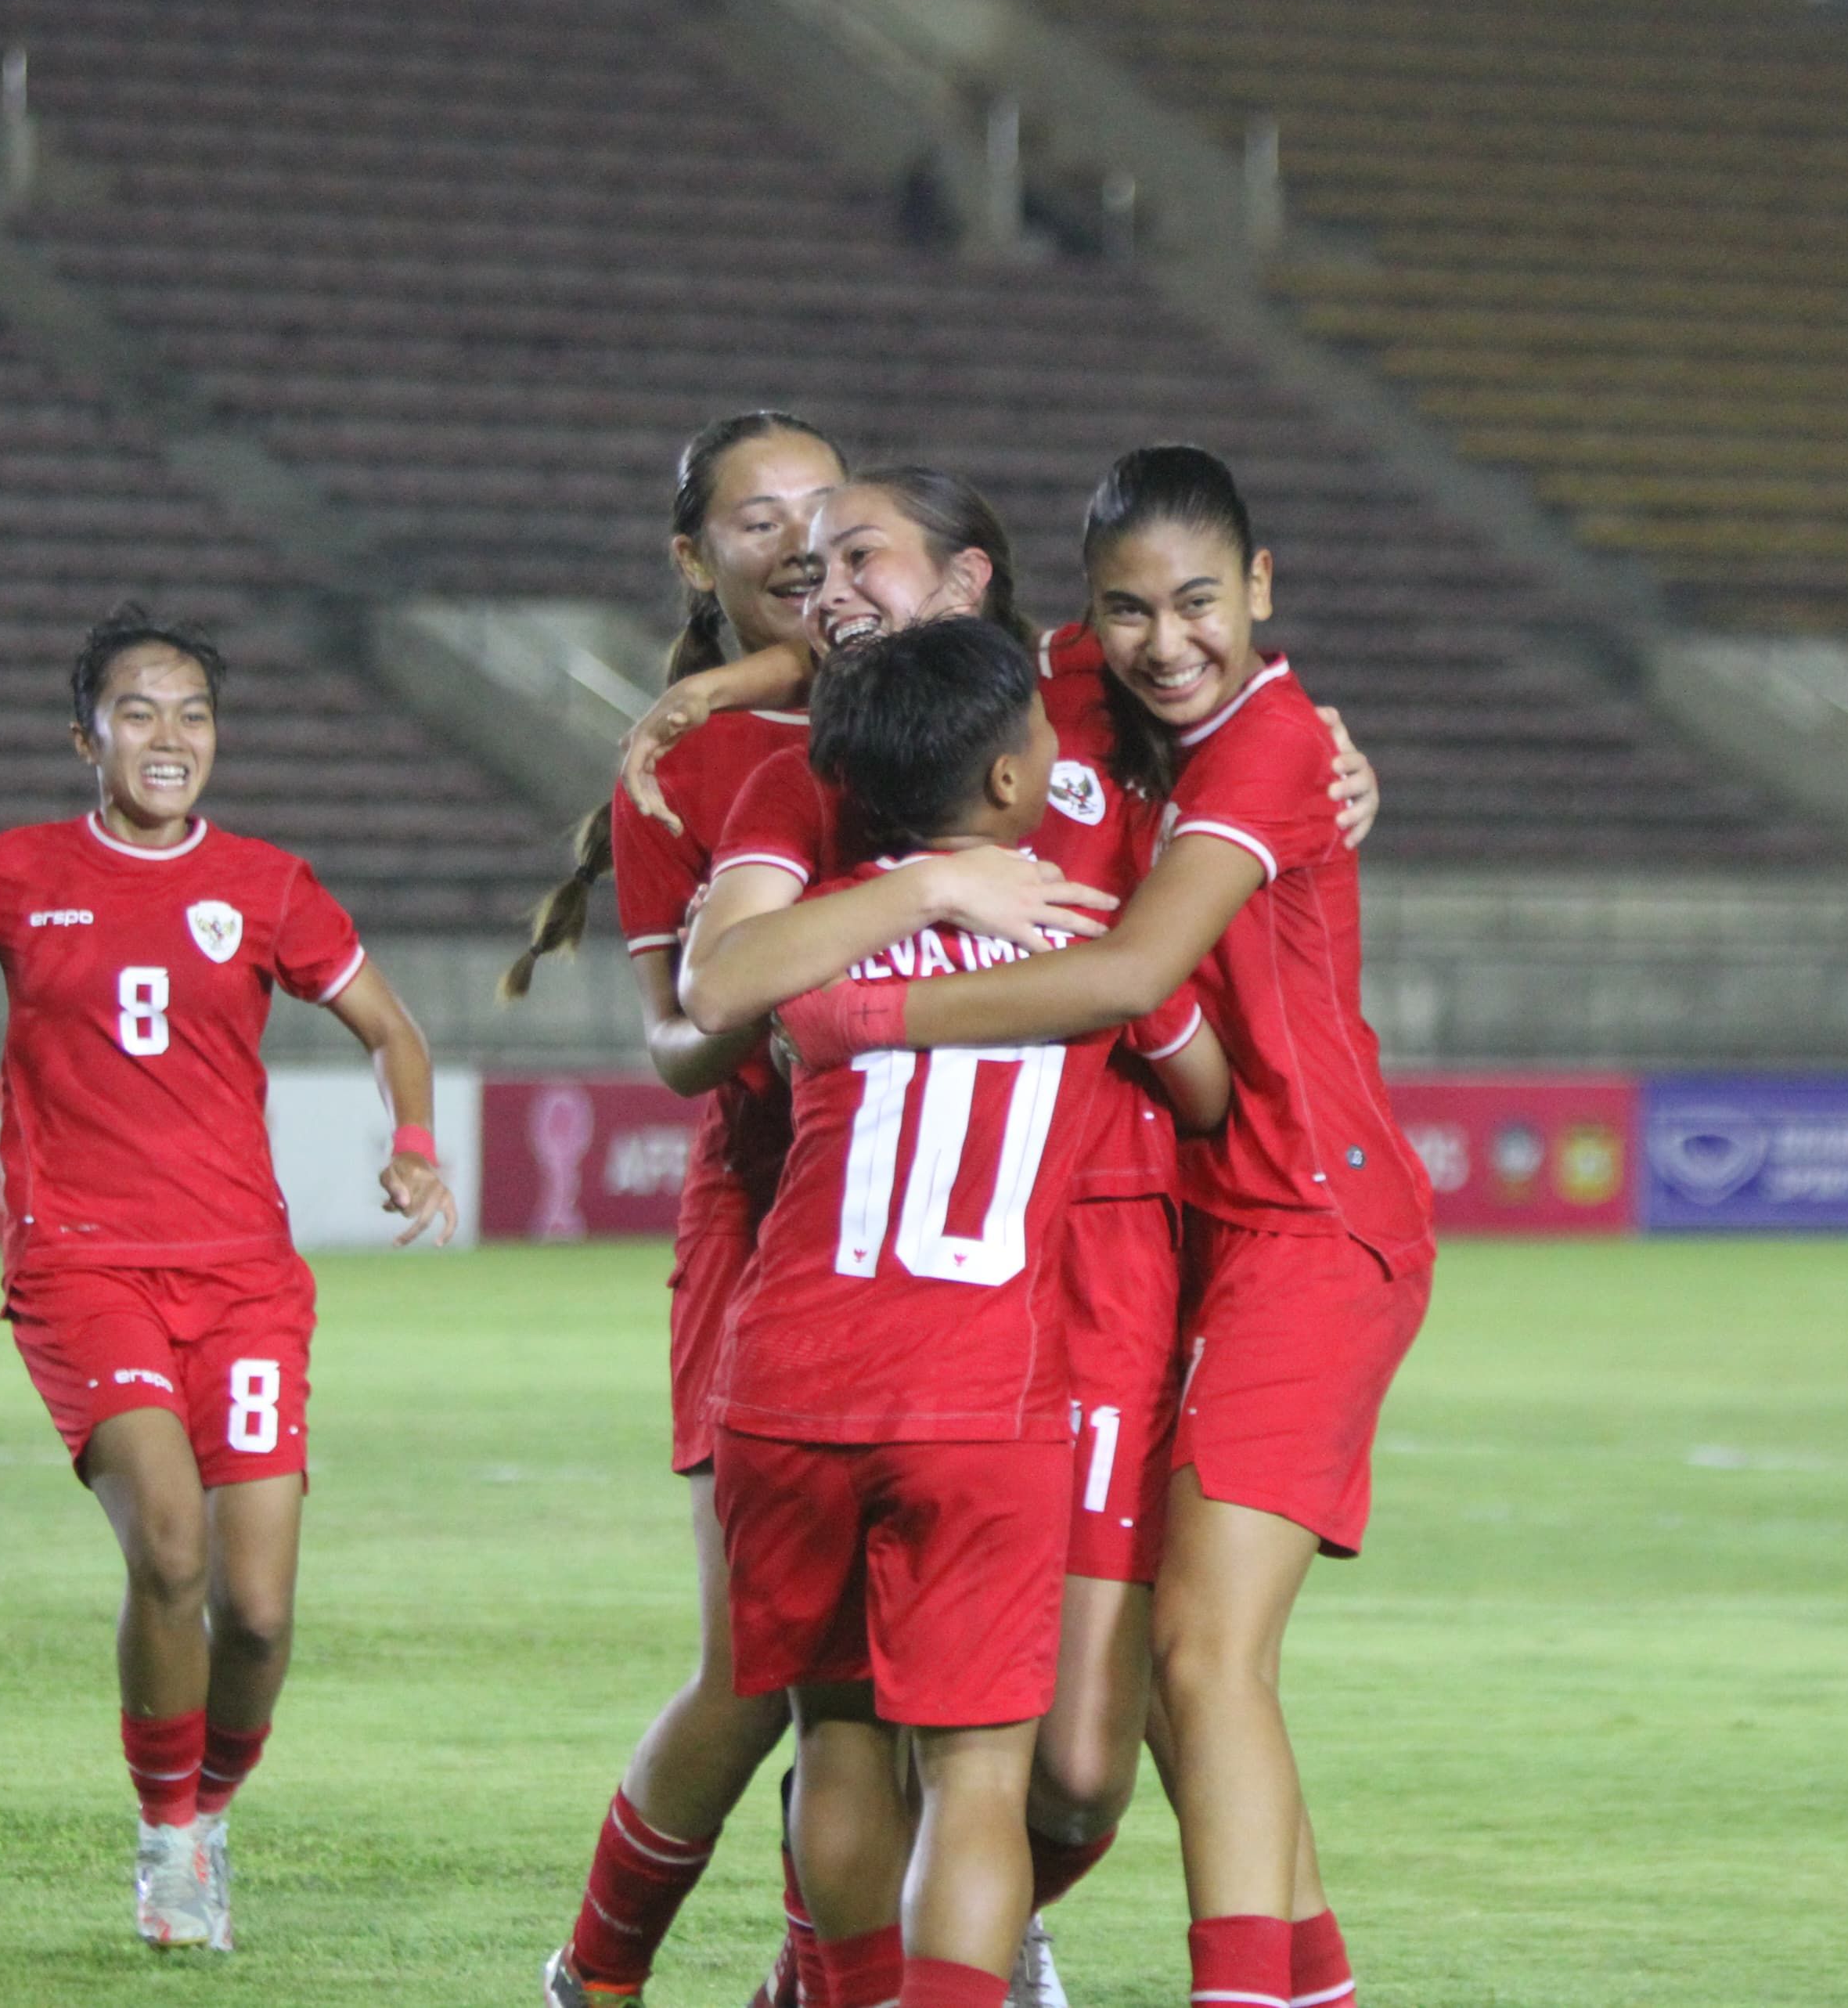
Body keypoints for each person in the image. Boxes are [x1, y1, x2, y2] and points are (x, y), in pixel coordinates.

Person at [644, 465, 1380, 2007]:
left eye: (857, 557)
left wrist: (862, 1013)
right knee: (890, 1716)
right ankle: (821, 1969)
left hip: (1180, 1233)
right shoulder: (846, 760)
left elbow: (1151, 1002)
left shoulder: (1107, 705)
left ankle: (847, 1950)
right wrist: (738, 677)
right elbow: (700, 1012)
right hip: (898, 1289)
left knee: (1098, 1748)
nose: (824, 585)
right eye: (799, 562)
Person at [0, 602, 457, 1956]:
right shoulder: (13, 873)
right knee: (172, 1548)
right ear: (87, 736)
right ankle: (167, 1836)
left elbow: (390, 1027)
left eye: (192, 712)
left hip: (247, 1277)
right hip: (83, 1271)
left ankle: (213, 1804)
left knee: (257, 1610)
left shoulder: (267, 884)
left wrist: (414, 1144)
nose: (169, 735)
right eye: (139, 710)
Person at [708, 615, 1228, 2008]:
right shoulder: (1082, 932)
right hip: (978, 1400)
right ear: (1008, 781)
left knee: (833, 1741)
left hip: (788, 1386)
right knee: (980, 1775)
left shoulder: (817, 940)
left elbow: (722, 996)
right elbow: (1209, 1085)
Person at [521, 411, 851, 2008]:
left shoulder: (934, 700)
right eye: (755, 519)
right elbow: (670, 1044)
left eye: (825, 509)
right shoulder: (681, 767)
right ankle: (596, 1974)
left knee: (901, 1672)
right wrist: (763, 994)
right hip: (773, 1212)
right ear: (692, 559)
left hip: (943, 1225)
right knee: (759, 1667)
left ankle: (822, 1975)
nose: (798, 541)